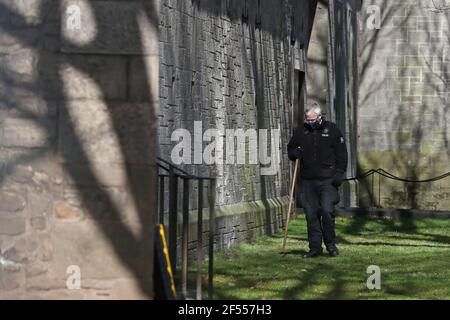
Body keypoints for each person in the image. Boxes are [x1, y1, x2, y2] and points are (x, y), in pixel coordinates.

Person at [287, 100, 348, 258]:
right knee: (311, 214)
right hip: (308, 181)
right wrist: (295, 154)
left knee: (327, 212)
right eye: (308, 120)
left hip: (328, 180)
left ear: (320, 117)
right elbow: (291, 149)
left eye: (313, 120)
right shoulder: (301, 131)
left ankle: (331, 245)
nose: (310, 123)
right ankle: (315, 248)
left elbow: (342, 155)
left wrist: (338, 176)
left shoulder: (332, 130)